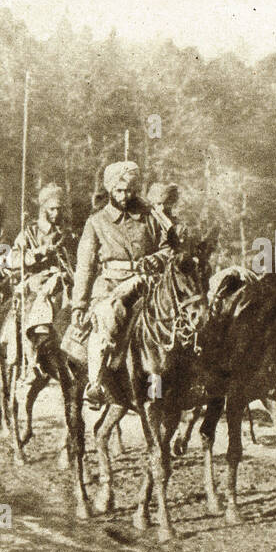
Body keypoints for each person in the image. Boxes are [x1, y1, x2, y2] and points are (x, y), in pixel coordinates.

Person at [69, 161, 177, 403]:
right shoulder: (96, 222)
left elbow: (168, 248)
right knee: (107, 317)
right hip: (110, 286)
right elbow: (85, 267)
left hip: (149, 282)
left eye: (129, 190)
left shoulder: (150, 217)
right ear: (110, 190)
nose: (124, 196)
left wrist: (155, 260)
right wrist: (79, 305)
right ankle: (96, 384)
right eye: (118, 191)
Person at [10, 183, 73, 347]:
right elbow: (13, 259)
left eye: (59, 209)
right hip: (38, 278)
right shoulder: (31, 232)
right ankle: (40, 328)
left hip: (65, 276)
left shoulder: (68, 233)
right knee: (41, 296)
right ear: (44, 209)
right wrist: (38, 253)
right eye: (52, 209)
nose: (56, 213)